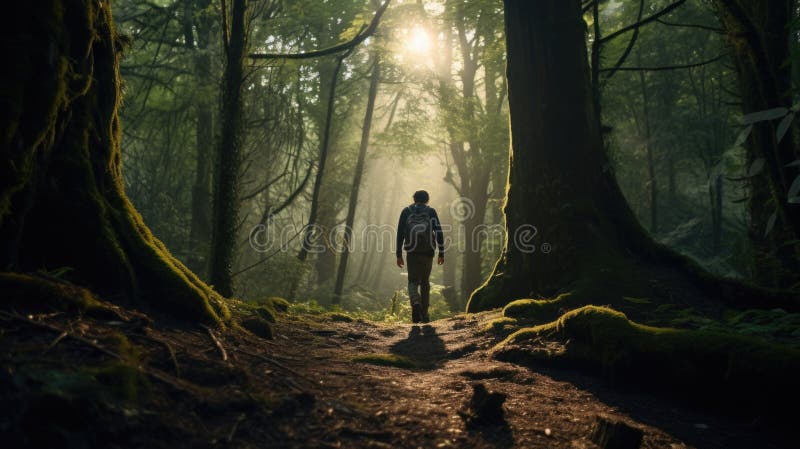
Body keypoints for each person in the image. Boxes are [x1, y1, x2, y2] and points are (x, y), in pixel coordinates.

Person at [396, 190, 445, 323]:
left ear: (414, 199)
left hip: (411, 251)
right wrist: (441, 252)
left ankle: (415, 302)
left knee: (412, 281)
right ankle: (425, 315)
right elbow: (439, 231)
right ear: (427, 200)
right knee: (425, 282)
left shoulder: (406, 211)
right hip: (427, 251)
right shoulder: (431, 212)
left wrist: (398, 254)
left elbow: (400, 233)